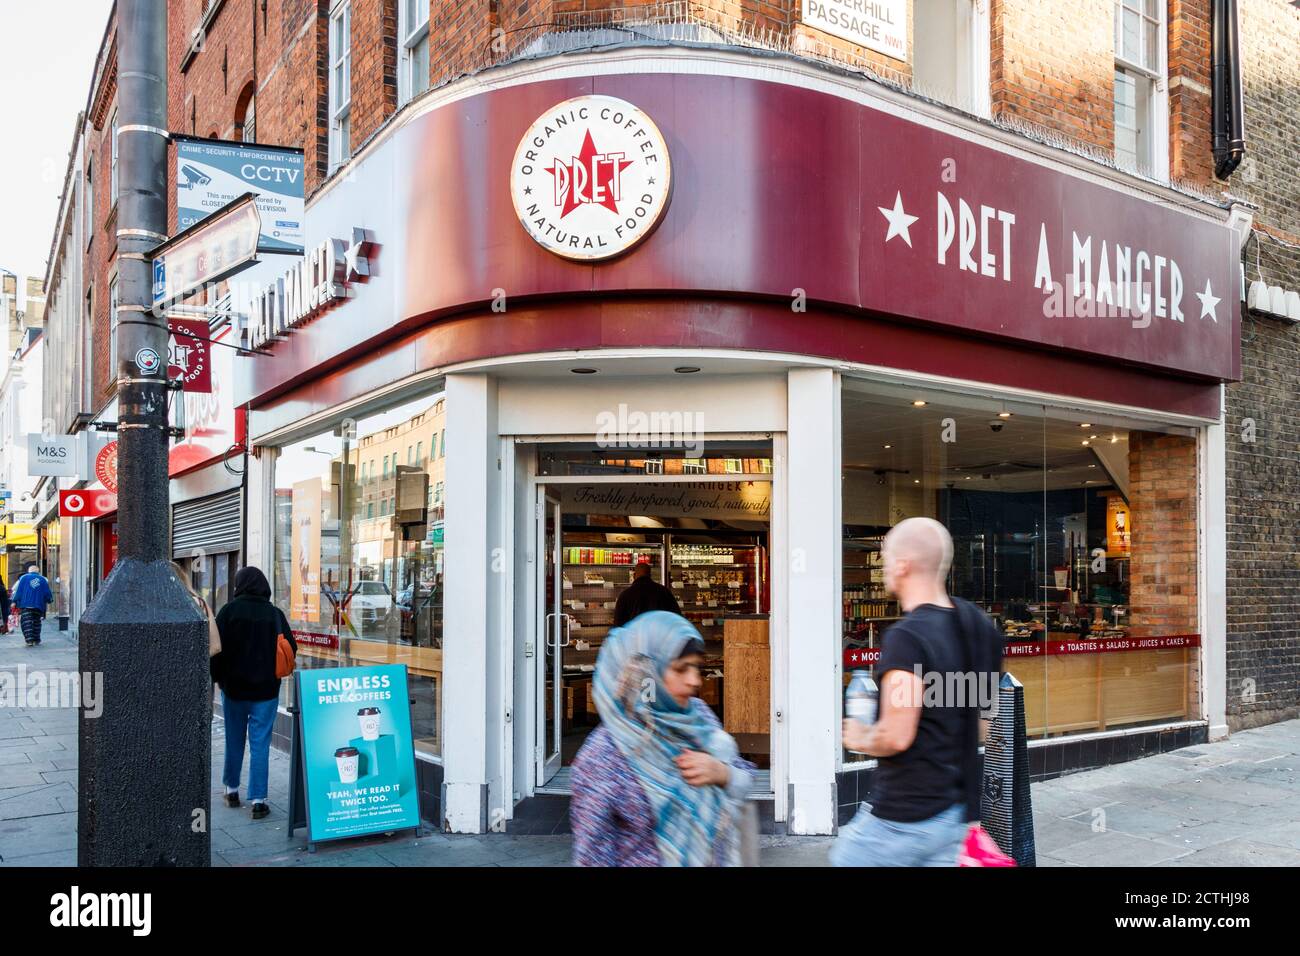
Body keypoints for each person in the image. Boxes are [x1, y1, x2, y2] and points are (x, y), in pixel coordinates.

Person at [831, 517, 1003, 868]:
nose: (883, 567)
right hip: (952, 815)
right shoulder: (979, 627)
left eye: (885, 558)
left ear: (903, 564)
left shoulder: (908, 638)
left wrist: (861, 737)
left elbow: (895, 737)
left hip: (901, 815)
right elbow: (986, 722)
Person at [570, 610, 753, 866]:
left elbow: (743, 777)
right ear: (648, 675)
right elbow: (592, 857)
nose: (694, 681)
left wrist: (723, 773)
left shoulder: (698, 715)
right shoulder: (603, 756)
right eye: (681, 669)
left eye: (696, 668)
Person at [212, 567, 297, 819]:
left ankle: (232, 790)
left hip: (234, 690)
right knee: (260, 744)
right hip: (266, 692)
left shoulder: (228, 612)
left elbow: (215, 649)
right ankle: (259, 801)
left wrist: (218, 679)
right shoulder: (275, 614)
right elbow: (290, 647)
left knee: (234, 739)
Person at [612, 557, 681, 626]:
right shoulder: (664, 592)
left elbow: (618, 623)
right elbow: (676, 617)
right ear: (650, 575)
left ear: (634, 575)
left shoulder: (625, 595)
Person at [11, 564, 53, 647]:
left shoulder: (23, 578)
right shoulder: (43, 579)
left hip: (26, 604)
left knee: (26, 622)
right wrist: (49, 599)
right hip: (38, 605)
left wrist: (14, 601)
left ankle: (29, 640)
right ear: (38, 571)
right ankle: (36, 639)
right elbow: (47, 592)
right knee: (36, 622)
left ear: (29, 571)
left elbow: (19, 591)